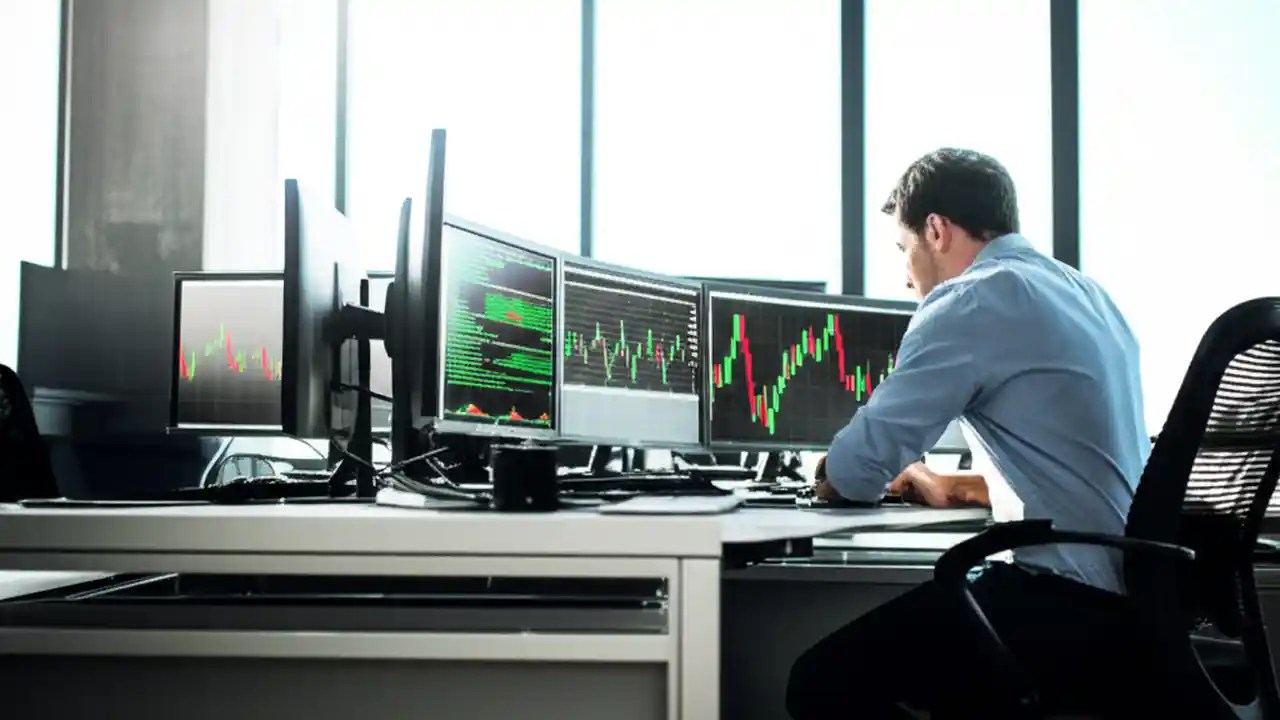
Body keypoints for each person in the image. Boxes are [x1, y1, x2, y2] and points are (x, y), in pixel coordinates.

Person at [786, 148, 1157, 718]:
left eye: (902, 248)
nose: (905, 273)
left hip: (1057, 605)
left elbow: (855, 473)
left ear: (935, 229)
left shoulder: (974, 296)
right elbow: (1076, 463)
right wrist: (945, 483)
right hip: (1132, 604)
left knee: (820, 683)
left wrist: (823, 474)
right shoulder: (1086, 294)